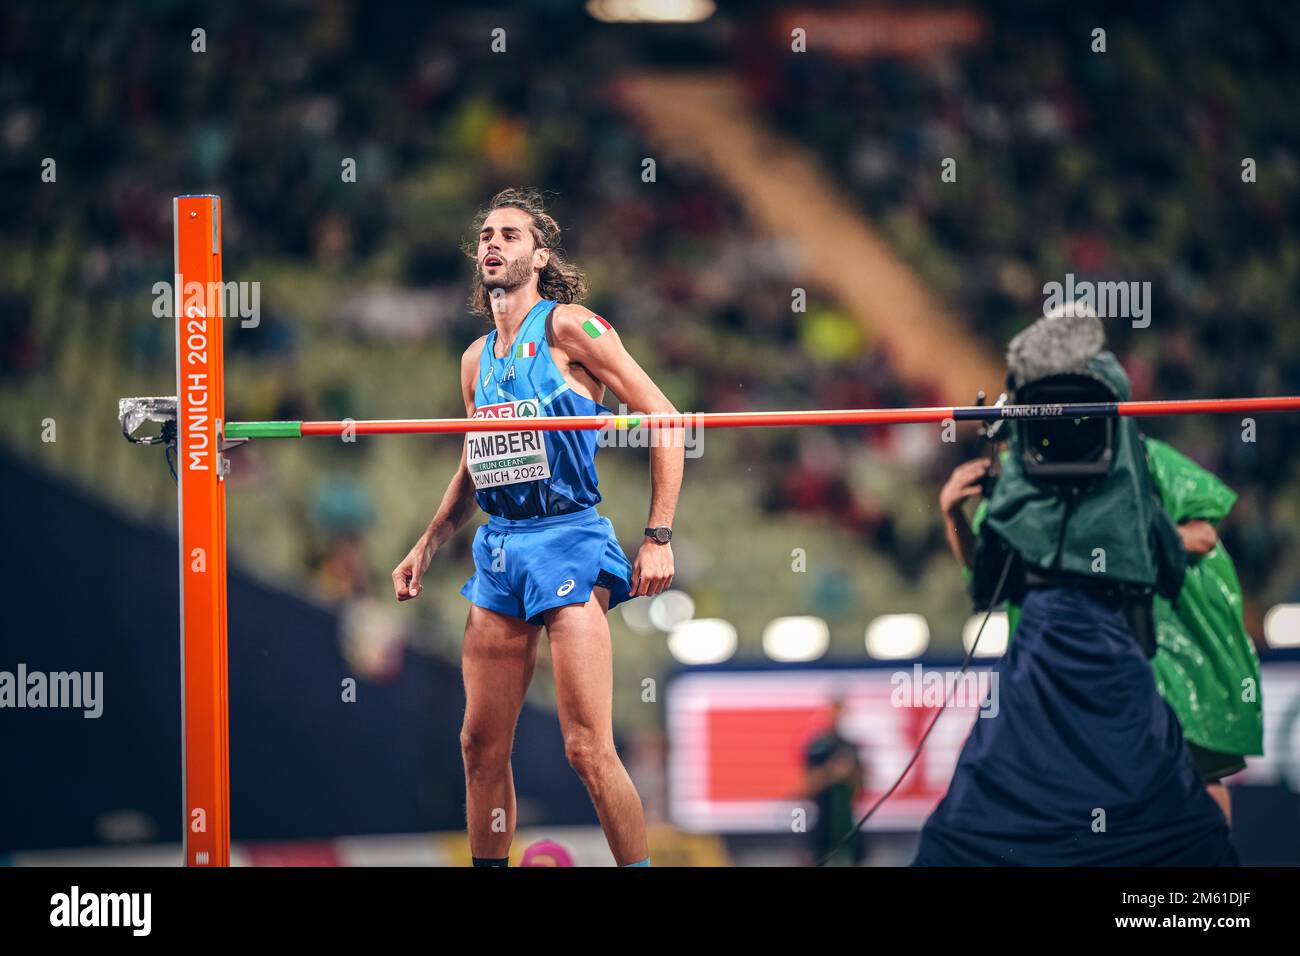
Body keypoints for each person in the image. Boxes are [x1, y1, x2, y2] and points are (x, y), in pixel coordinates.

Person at [391, 188, 684, 867]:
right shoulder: (473, 361)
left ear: (539, 255)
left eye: (511, 235)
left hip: (569, 539)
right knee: (478, 747)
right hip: (500, 550)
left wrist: (658, 534)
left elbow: (666, 418)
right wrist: (428, 542)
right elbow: (476, 462)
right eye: (486, 234)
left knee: (586, 747)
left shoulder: (572, 329)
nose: (493, 243)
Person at [913, 310, 1237, 865]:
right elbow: (1165, 567)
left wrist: (960, 515)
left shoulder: (1021, 494)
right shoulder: (1128, 496)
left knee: (990, 802)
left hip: (1038, 662)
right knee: (1162, 799)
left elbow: (987, 582)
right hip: (1115, 656)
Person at [802, 698, 866, 865]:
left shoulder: (851, 747)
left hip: (847, 823)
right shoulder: (818, 746)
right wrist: (832, 772)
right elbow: (807, 785)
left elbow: (861, 787)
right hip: (822, 823)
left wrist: (850, 773)